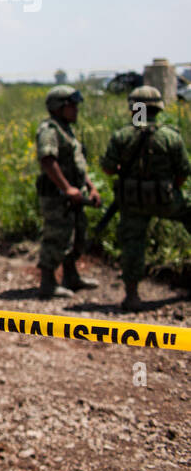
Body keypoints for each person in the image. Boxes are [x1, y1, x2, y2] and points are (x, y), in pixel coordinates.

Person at [100, 85, 191, 311]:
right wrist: (169, 190)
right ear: (158, 109)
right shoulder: (170, 136)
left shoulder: (122, 136)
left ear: (134, 109)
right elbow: (183, 172)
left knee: (133, 244)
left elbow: (108, 168)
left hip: (132, 202)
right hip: (166, 200)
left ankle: (132, 296)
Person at [34, 85, 102, 298]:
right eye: (71, 106)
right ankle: (47, 283)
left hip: (74, 195)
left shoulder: (66, 129)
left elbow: (77, 163)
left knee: (77, 236)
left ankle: (71, 276)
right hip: (57, 197)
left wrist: (90, 187)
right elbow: (48, 161)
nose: (76, 110)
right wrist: (67, 188)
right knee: (57, 236)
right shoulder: (49, 130)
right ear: (58, 108)